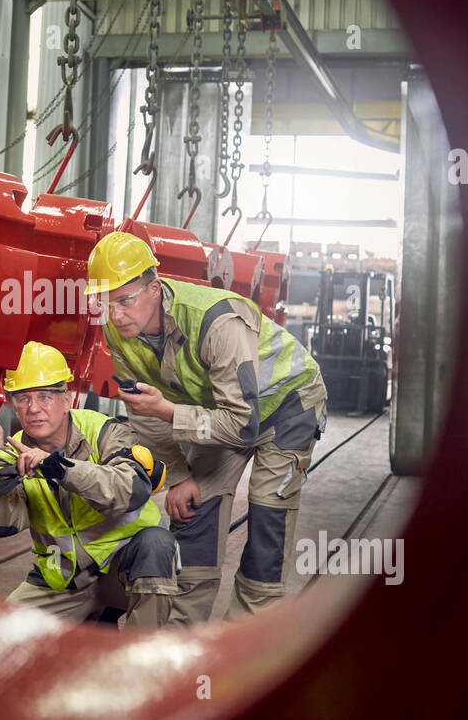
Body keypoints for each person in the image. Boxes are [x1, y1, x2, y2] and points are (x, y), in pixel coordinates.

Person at [86, 231, 328, 623]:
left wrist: (169, 411)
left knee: (268, 519)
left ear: (154, 288)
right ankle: (182, 638)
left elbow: (241, 426)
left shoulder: (217, 322)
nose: (115, 315)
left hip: (287, 405)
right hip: (219, 410)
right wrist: (178, 475)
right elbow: (144, 413)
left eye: (125, 300)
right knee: (193, 511)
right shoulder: (119, 331)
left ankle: (246, 637)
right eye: (106, 303)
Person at [0, 340, 179, 628]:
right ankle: (93, 621)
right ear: (12, 403)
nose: (34, 408)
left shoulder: (105, 431)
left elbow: (130, 490)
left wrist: (59, 469)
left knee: (158, 544)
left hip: (122, 573)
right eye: (23, 398)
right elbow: (1, 525)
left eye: (45, 396)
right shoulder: (12, 450)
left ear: (66, 397)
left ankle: (138, 664)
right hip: (63, 579)